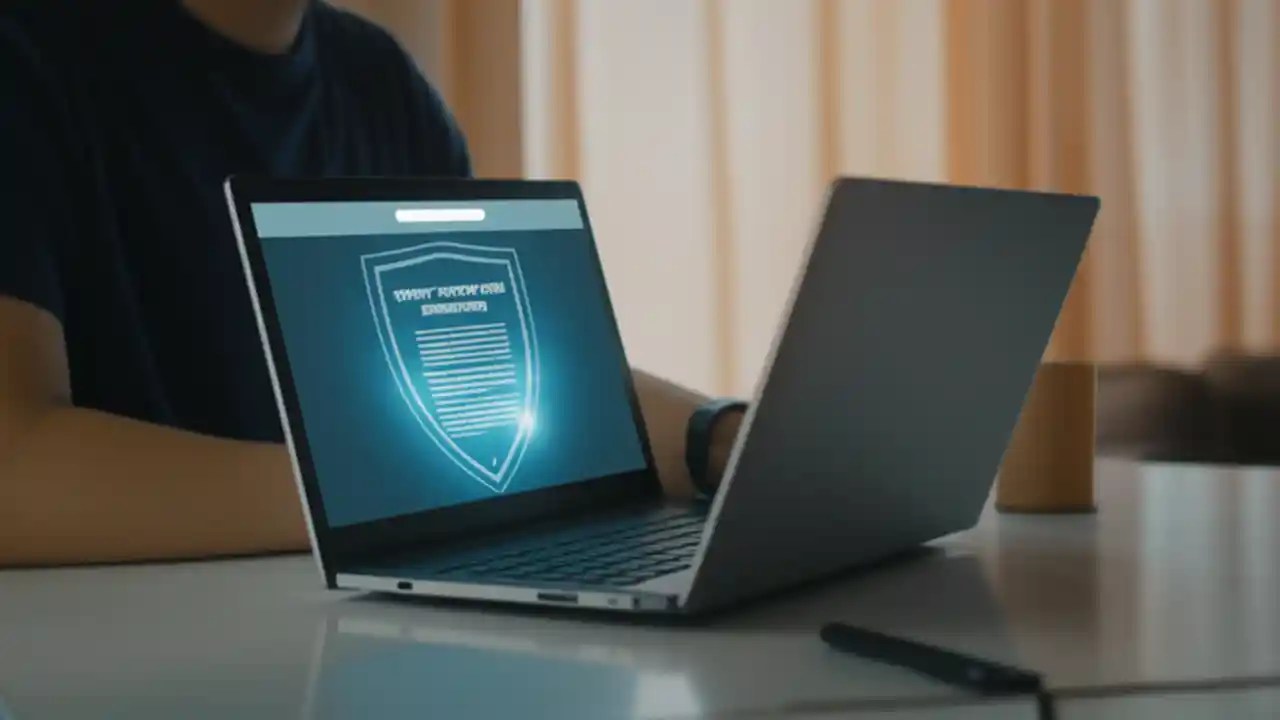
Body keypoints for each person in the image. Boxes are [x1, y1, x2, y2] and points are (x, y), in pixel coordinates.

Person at [0, 0, 744, 567]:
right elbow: (14, 469)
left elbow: (543, 394)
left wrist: (731, 441)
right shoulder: (27, 57)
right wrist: (399, 499)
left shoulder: (377, 80)